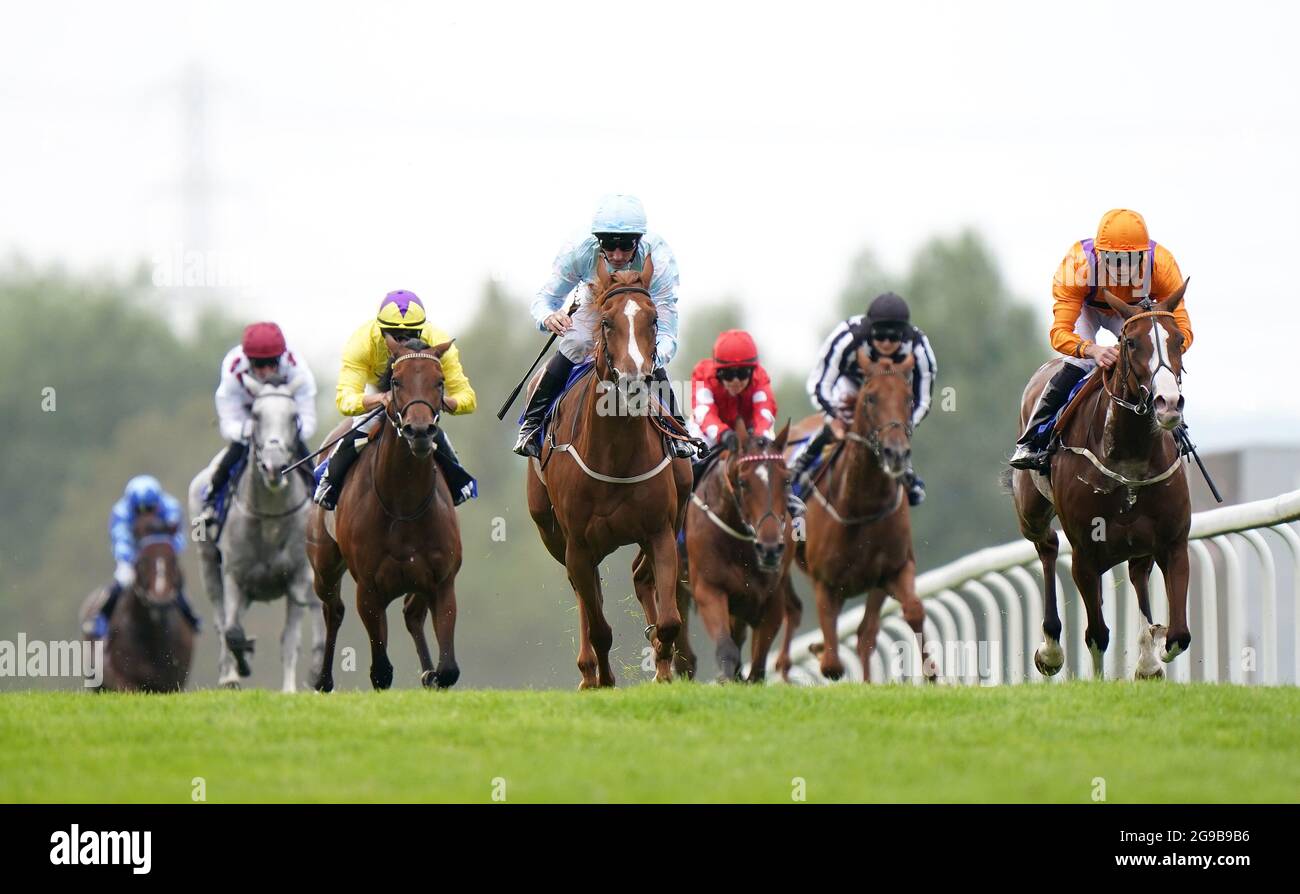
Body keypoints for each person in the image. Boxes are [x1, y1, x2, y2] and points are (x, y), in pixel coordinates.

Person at [1009, 208, 1194, 471]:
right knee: (1079, 365)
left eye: (1130, 260)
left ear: (1145, 256)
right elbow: (1059, 333)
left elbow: (1183, 330)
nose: (1122, 268)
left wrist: (1162, 352)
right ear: (1099, 255)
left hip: (1133, 313)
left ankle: (1177, 428)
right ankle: (1031, 440)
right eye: (1114, 259)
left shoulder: (1162, 265)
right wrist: (1091, 350)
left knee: (1156, 359)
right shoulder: (1077, 266)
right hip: (1087, 309)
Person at [512, 194, 694, 459]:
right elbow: (545, 300)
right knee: (576, 342)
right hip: (596, 297)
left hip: (640, 304)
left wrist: (650, 358)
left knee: (646, 352)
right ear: (598, 240)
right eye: (609, 245)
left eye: (626, 245)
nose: (617, 255)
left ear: (639, 240)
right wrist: (548, 317)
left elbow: (667, 329)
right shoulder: (579, 250)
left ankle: (678, 431)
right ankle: (531, 423)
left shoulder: (661, 259)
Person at [312, 290, 477, 510]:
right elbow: (345, 399)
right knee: (364, 426)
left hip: (418, 397)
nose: (402, 341)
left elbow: (468, 399)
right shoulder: (361, 342)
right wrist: (379, 398)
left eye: (410, 334)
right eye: (394, 335)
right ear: (381, 330)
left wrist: (437, 401)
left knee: (430, 428)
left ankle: (459, 483)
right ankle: (328, 482)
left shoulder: (438, 343)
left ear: (422, 329)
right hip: (377, 393)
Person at [792, 291, 936, 507]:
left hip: (893, 392)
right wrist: (835, 417)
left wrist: (902, 426)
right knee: (840, 420)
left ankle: (906, 471)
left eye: (894, 336)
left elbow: (923, 400)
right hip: (850, 386)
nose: (886, 342)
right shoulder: (847, 338)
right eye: (880, 335)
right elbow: (819, 384)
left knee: (894, 425)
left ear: (904, 334)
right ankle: (801, 464)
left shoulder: (919, 348)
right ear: (870, 330)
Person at [198, 322, 318, 533]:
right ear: (248, 360)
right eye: (259, 364)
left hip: (284, 421)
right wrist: (248, 431)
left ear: (281, 358)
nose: (266, 371)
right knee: (234, 452)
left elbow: (308, 418)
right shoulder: (233, 369)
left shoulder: (297, 367)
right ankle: (211, 500)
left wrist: (288, 431)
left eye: (271, 363)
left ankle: (320, 497)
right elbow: (228, 420)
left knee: (306, 458)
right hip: (249, 419)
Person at [83, 475, 201, 637]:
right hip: (134, 555)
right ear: (132, 507)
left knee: (174, 580)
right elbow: (120, 539)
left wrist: (167, 551)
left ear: (158, 504)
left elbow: (179, 537)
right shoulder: (121, 512)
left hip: (161, 554)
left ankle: (190, 616)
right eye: (140, 511)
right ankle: (102, 617)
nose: (146, 514)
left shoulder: (171, 507)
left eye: (150, 509)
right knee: (124, 578)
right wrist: (132, 557)